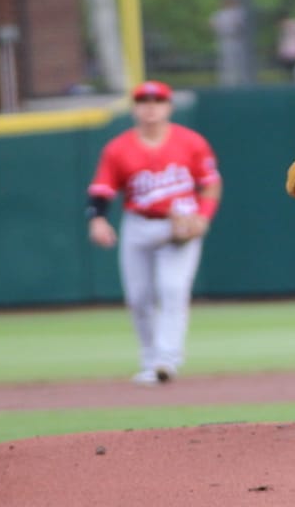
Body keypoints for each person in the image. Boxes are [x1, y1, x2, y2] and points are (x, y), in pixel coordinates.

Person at [86, 80, 222, 385]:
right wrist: (97, 220)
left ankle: (166, 359)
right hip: (139, 224)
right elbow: (102, 189)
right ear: (134, 108)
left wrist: (203, 216)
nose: (150, 107)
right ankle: (150, 358)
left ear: (168, 107)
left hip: (180, 225)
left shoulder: (191, 142)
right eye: (143, 101)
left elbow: (211, 184)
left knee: (172, 289)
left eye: (157, 101)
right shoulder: (118, 148)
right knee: (139, 297)